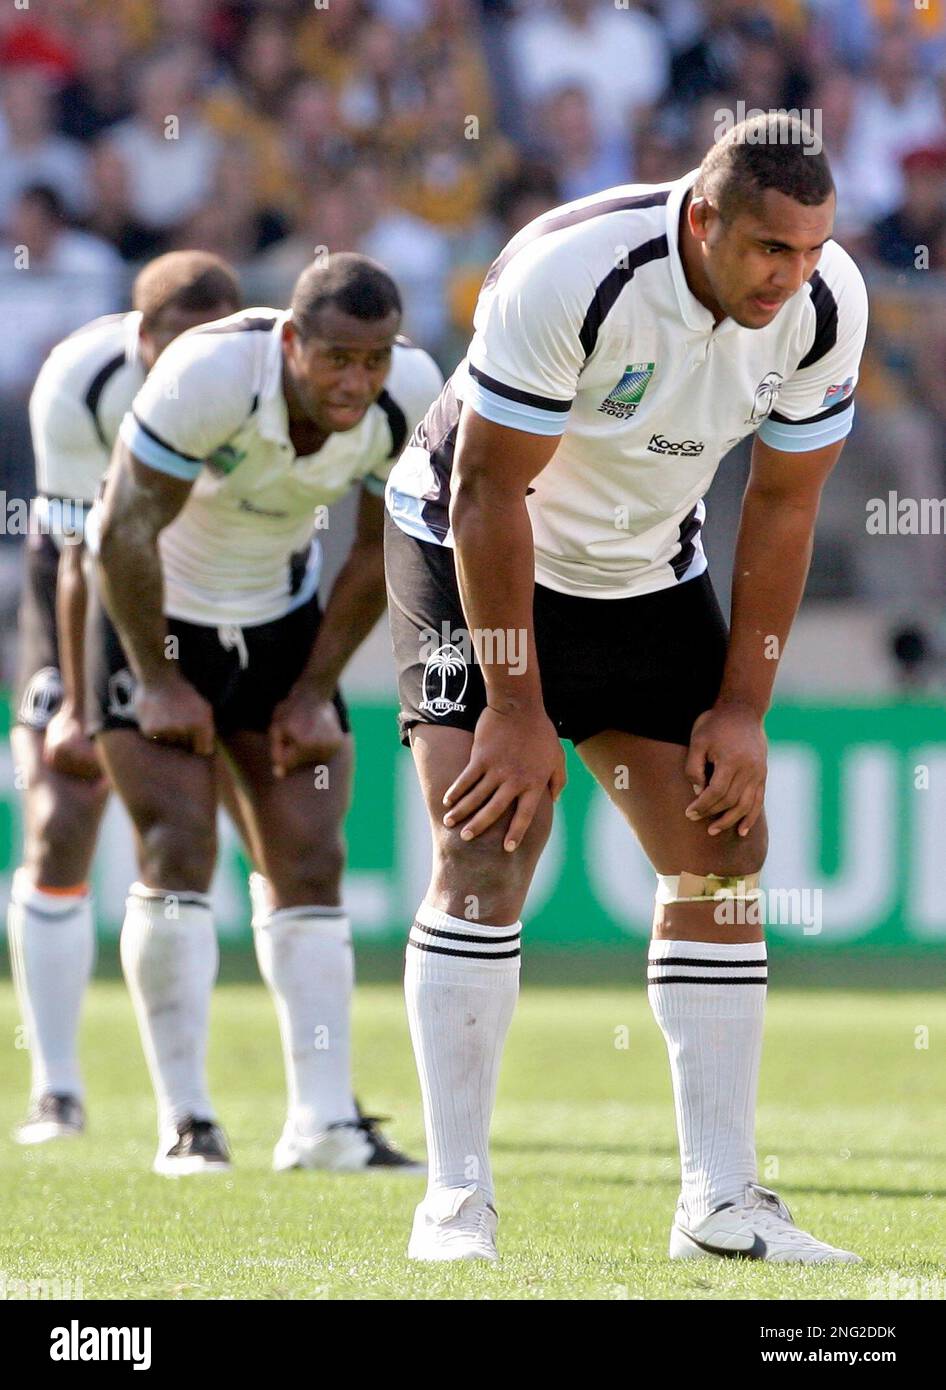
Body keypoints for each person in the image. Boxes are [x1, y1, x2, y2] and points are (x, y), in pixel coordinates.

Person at [384, 114, 869, 1262]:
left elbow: (784, 504)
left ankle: (719, 1203)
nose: (788, 278)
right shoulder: (575, 268)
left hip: (645, 570)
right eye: (765, 251)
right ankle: (454, 1201)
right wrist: (513, 705)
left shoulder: (827, 305)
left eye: (808, 252)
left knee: (723, 851)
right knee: (492, 841)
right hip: (474, 550)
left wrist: (742, 707)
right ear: (702, 219)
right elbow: (485, 494)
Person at [92, 253, 443, 1176]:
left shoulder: (412, 393)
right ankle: (188, 1121)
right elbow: (122, 530)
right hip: (152, 615)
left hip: (281, 620)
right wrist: (160, 679)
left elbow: (380, 555)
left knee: (312, 855)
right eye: (335, 360)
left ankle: (323, 1125)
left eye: (371, 362)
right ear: (291, 342)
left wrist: (313, 687)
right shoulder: (209, 374)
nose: (355, 382)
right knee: (177, 848)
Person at [9, 251, 243, 1145]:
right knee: (62, 809)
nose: (198, 366)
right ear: (143, 340)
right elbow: (79, 552)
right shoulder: (79, 376)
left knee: (188, 834)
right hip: (80, 574)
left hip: (201, 577)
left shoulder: (256, 377)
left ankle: (193, 1104)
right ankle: (55, 1088)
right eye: (180, 345)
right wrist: (77, 704)